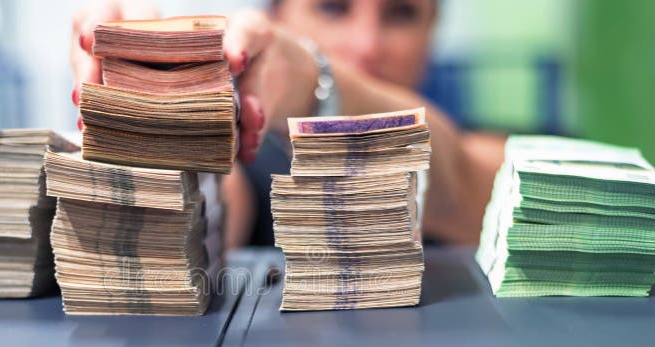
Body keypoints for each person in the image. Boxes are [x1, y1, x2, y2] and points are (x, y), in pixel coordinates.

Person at [70, 0, 505, 247]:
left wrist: (315, 79)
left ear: (432, 34)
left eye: (401, 14)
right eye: (333, 8)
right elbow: (216, 198)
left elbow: (458, 179)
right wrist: (159, 110)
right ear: (277, 22)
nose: (367, 45)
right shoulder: (246, 163)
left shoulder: (482, 155)